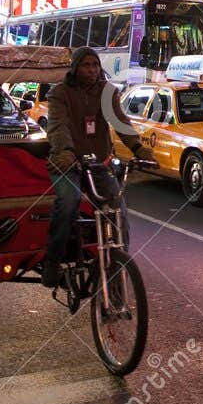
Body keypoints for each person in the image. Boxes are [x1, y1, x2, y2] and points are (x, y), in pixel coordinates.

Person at [44, 47, 145, 288]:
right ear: (75, 68)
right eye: (86, 65)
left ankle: (118, 265)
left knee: (117, 211)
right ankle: (52, 261)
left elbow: (121, 122)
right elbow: (58, 126)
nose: (92, 70)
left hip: (98, 163)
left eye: (95, 65)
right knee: (68, 203)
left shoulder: (106, 92)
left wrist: (139, 149)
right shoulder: (60, 93)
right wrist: (65, 151)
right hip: (67, 163)